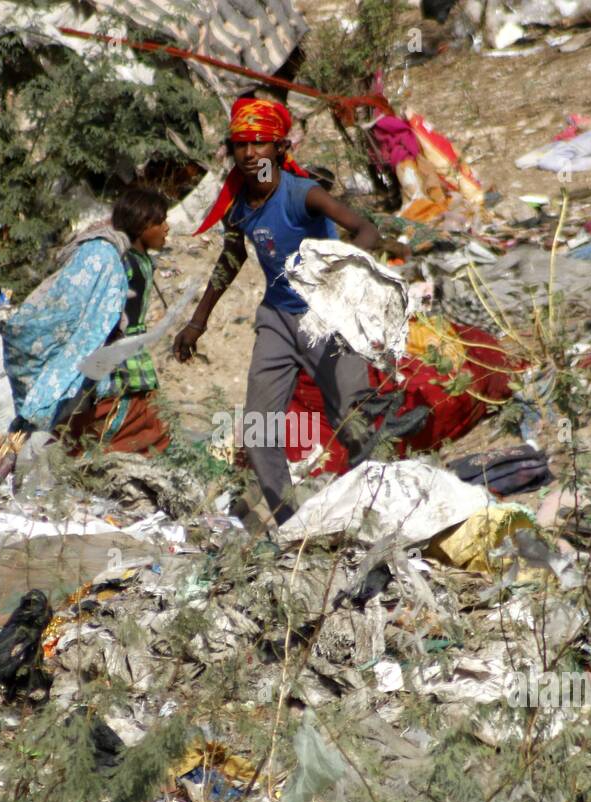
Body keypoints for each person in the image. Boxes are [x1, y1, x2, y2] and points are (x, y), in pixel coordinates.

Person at [172, 96, 421, 525]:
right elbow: (231, 257)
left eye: (260, 143)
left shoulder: (302, 195)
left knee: (352, 418)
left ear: (280, 148)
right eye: (241, 144)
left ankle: (377, 512)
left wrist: (342, 279)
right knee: (258, 429)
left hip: (326, 318)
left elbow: (364, 229)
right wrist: (198, 322)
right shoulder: (238, 204)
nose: (250, 153)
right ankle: (292, 524)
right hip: (277, 320)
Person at [1, 188, 171, 455]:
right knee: (112, 429)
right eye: (160, 222)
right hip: (116, 366)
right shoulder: (117, 261)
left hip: (133, 361)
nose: (166, 228)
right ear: (142, 224)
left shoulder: (142, 261)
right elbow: (95, 307)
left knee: (145, 426)